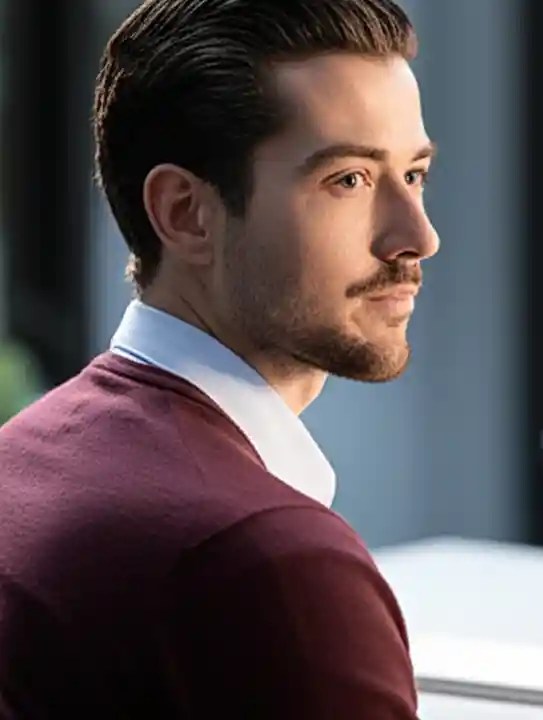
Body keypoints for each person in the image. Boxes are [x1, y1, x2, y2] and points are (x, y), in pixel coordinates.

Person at [0, 0, 439, 716]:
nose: (416, 236)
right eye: (349, 180)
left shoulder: (17, 458)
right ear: (185, 213)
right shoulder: (266, 563)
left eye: (413, 175)